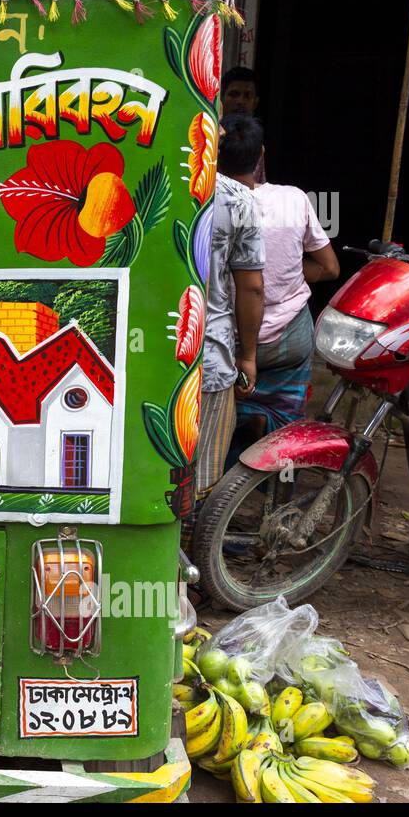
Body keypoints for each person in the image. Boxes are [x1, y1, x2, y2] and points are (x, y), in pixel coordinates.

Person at [220, 114, 339, 442]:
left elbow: (249, 285)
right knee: (286, 414)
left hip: (231, 340)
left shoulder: (208, 205)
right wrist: (285, 271)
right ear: (261, 155)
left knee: (222, 407)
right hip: (289, 338)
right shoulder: (295, 198)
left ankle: (237, 438)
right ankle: (279, 460)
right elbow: (330, 268)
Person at [184, 123, 265, 549]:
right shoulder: (237, 200)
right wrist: (248, 356)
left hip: (143, 354)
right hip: (208, 356)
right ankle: (188, 571)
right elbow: (250, 286)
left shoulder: (151, 178)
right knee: (202, 473)